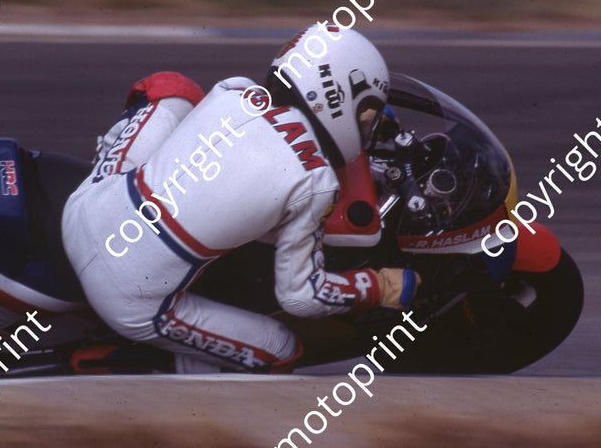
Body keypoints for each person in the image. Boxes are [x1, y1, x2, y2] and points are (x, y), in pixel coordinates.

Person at [61, 24, 420, 373]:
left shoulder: (237, 90)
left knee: (173, 88)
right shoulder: (316, 180)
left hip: (84, 208)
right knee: (283, 350)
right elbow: (302, 296)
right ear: (337, 96)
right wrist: (379, 287)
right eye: (366, 115)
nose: (366, 127)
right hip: (125, 296)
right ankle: (152, 367)